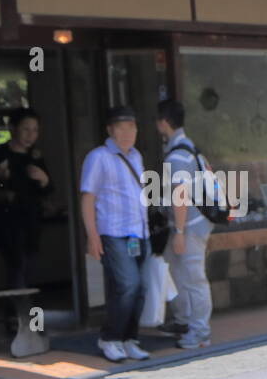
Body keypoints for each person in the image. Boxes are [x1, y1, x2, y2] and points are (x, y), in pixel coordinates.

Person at [80, 106, 151, 363]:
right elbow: (88, 198)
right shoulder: (98, 157)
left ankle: (128, 338)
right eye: (120, 127)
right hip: (113, 232)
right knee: (128, 285)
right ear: (110, 130)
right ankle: (110, 337)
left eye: (131, 127)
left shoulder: (136, 157)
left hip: (138, 233)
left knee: (140, 289)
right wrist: (92, 235)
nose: (126, 133)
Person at [155, 100, 213, 350]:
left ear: (164, 123)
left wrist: (178, 232)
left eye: (158, 121)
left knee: (193, 278)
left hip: (188, 227)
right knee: (176, 272)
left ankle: (200, 332)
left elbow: (180, 195)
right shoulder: (188, 147)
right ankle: (184, 321)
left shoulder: (177, 155)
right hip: (194, 224)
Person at [0, 108, 53, 290]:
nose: (31, 135)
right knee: (17, 264)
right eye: (26, 129)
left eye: (35, 130)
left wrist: (44, 179)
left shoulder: (35, 156)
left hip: (31, 218)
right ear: (12, 128)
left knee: (27, 266)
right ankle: (19, 312)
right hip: (7, 218)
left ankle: (18, 310)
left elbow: (48, 189)